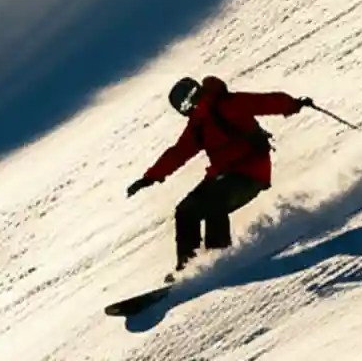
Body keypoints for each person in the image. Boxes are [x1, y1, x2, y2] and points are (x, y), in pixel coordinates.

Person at [126, 75, 310, 274]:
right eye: (185, 106)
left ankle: (218, 256)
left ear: (198, 92)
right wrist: (150, 177)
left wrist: (293, 104)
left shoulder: (228, 104)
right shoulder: (198, 125)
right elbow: (179, 152)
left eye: (190, 100)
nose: (191, 106)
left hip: (250, 172)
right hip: (222, 176)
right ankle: (188, 266)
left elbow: (264, 102)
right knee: (186, 210)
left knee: (215, 200)